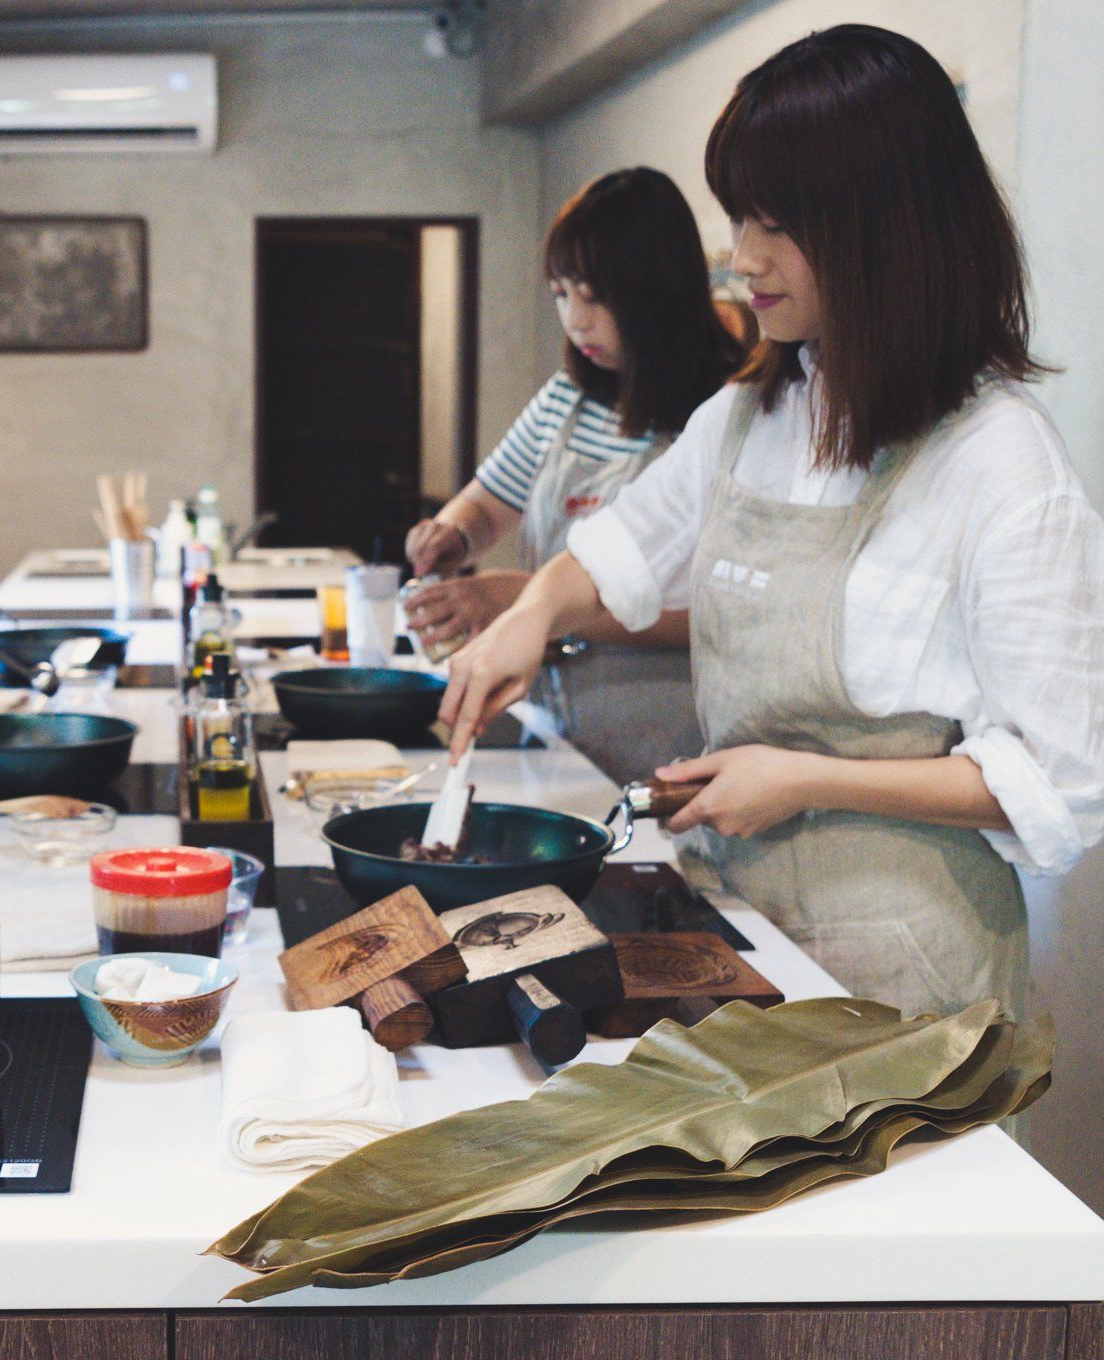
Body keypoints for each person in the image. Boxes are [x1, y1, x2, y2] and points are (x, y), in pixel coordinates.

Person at [439, 25, 1104, 1021]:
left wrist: (800, 778)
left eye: (773, 224)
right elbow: (616, 549)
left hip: (910, 968)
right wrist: (530, 613)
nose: (739, 259)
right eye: (734, 220)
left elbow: (1061, 784)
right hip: (745, 928)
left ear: (887, 228)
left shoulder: (999, 462)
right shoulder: (750, 415)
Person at [404, 169, 743, 781]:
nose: (575, 321)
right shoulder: (570, 396)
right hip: (556, 717)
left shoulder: (725, 411)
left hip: (667, 731)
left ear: (653, 289)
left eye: (592, 295)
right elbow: (484, 505)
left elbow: (714, 611)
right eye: (561, 294)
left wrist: (525, 600)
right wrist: (451, 534)